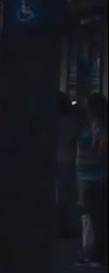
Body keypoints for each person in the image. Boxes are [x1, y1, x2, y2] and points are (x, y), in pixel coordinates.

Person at [74, 93, 107, 268]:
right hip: (90, 178)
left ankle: (95, 254)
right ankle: (93, 252)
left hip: (95, 179)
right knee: (93, 217)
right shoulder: (93, 126)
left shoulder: (98, 126)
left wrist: (97, 155)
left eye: (87, 106)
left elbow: (102, 145)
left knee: (94, 218)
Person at [55, 93, 80, 238]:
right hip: (68, 161)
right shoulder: (72, 122)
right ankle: (64, 227)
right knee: (65, 197)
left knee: (57, 196)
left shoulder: (50, 122)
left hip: (53, 162)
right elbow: (75, 141)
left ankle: (57, 226)